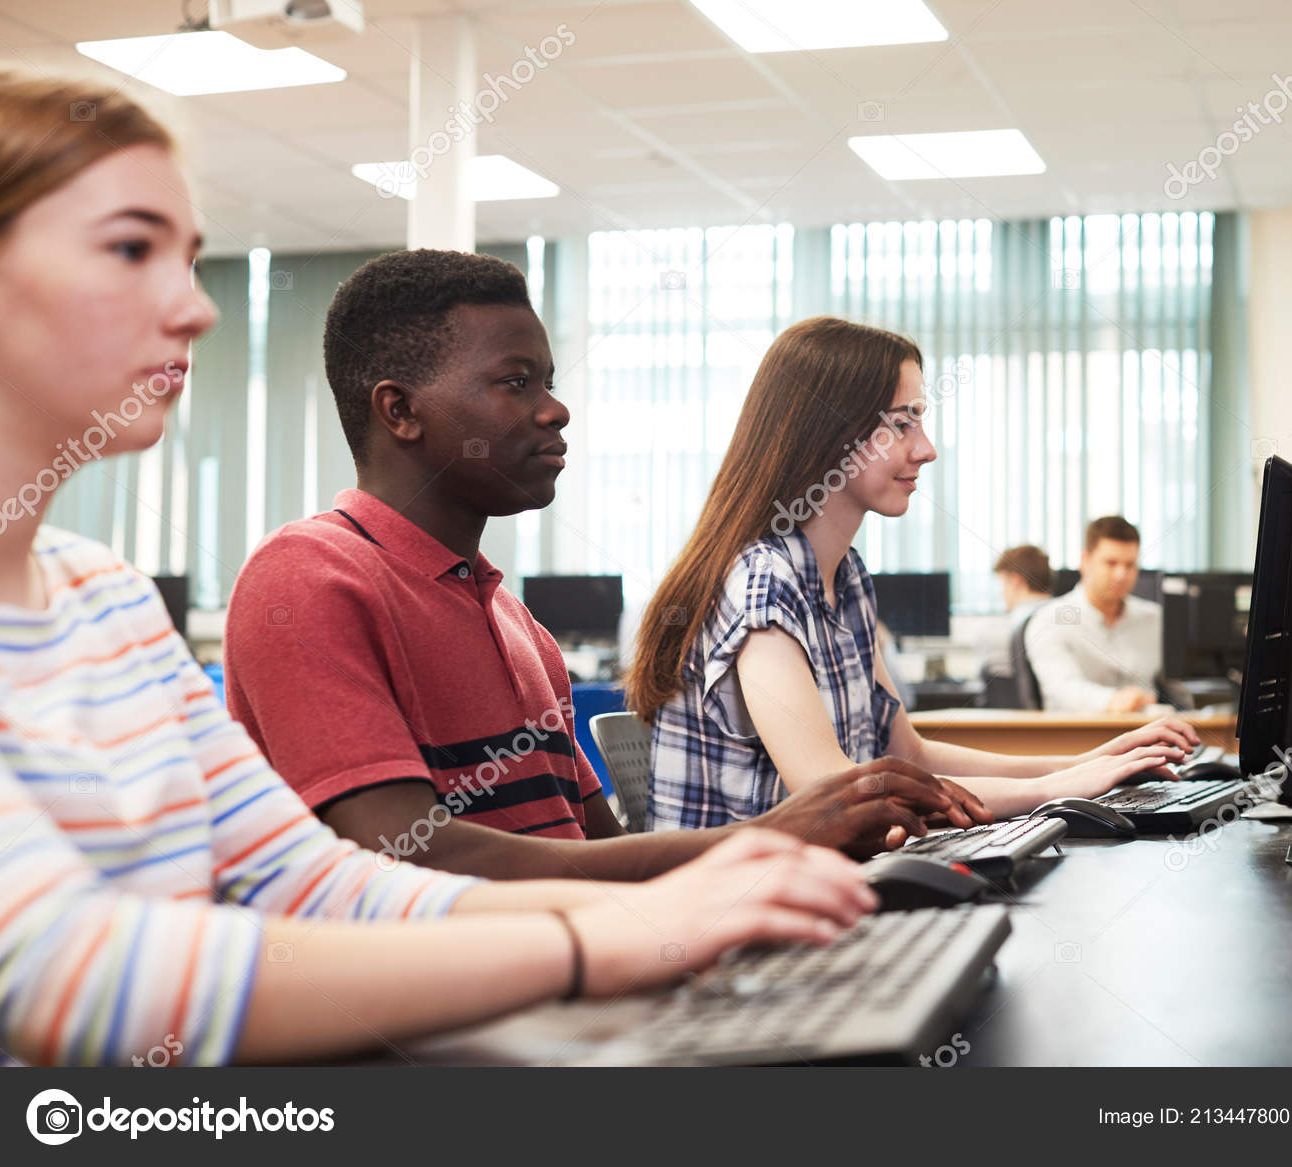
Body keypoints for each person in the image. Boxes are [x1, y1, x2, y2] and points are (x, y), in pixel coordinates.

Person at [0, 69, 875, 1067]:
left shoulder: (107, 600)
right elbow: (69, 974)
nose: (196, 309)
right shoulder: (306, 573)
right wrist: (596, 942)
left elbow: (314, 882)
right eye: (130, 249)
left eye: (190, 260)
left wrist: (684, 910)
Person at [221, 250, 978, 881]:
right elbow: (402, 854)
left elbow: (602, 855)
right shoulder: (309, 577)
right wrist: (773, 837)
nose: (555, 410)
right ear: (400, 411)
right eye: (516, 382)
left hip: (577, 974)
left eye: (549, 382)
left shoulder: (515, 624)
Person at [623, 317, 1197, 830]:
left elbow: (910, 756)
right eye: (902, 424)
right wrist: (1058, 790)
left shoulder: (845, 578)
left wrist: (1088, 763)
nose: (926, 449)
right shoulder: (764, 583)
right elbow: (832, 795)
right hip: (738, 904)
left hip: (812, 882)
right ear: (828, 432)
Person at [1023, 516, 1163, 713]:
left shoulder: (1155, 619)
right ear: (1085, 561)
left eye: (1130, 565)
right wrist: (1115, 701)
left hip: (1150, 729)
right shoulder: (1048, 620)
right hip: (1079, 729)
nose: (1121, 574)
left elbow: (1179, 684)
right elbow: (1062, 689)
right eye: (1111, 563)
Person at [979, 544, 1057, 681]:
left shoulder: (996, 634)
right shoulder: (1069, 618)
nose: (1001, 593)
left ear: (1015, 581)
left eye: (1003, 584)